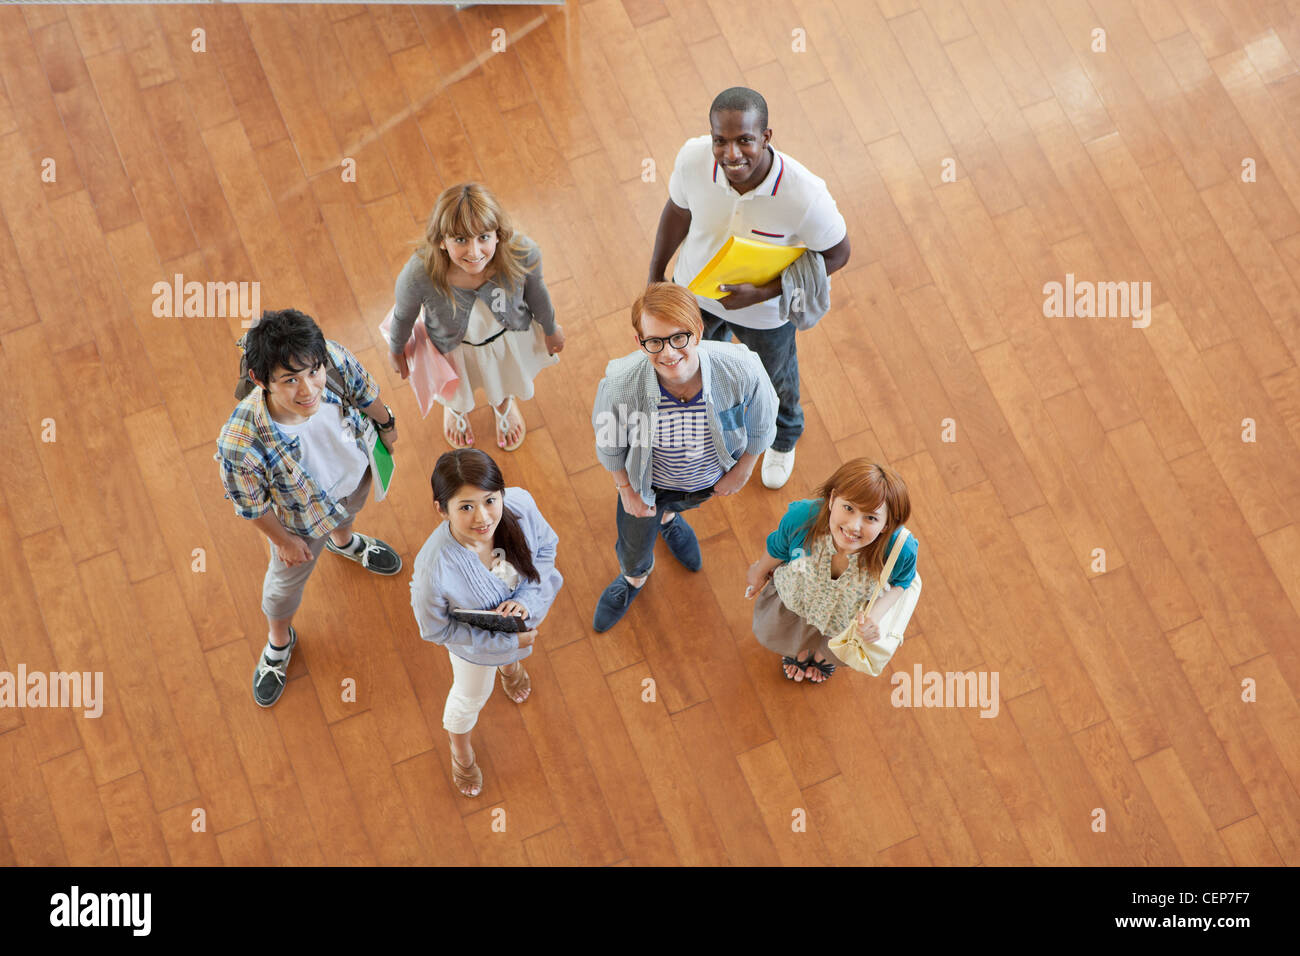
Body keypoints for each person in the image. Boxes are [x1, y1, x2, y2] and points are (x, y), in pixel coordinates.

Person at [648, 87, 852, 490]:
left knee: (775, 378)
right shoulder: (692, 160)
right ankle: (720, 423)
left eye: (744, 140)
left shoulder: (805, 196)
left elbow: (839, 254)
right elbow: (677, 211)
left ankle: (784, 436)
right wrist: (656, 277)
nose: (732, 154)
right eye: (720, 141)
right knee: (698, 366)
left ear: (766, 137)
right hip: (693, 296)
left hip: (764, 315)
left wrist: (762, 293)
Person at [217, 309, 402, 708]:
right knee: (282, 591)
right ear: (260, 381)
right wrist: (283, 542)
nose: (309, 389)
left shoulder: (327, 358)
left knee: (349, 513)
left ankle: (343, 541)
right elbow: (251, 505)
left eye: (313, 372)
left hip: (354, 475)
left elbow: (364, 390)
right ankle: (279, 643)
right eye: (290, 380)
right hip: (298, 520)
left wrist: (386, 425)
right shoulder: (240, 443)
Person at [591, 281, 777, 633]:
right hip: (647, 487)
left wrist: (743, 470)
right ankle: (634, 578)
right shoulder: (619, 385)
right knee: (634, 546)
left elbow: (763, 423)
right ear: (639, 342)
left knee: (680, 506)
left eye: (680, 337)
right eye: (655, 342)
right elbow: (609, 444)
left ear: (699, 332)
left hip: (708, 480)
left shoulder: (742, 369)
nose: (669, 353)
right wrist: (626, 491)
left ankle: (669, 519)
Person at [409, 449, 562, 798]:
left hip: (516, 627)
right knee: (469, 697)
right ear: (440, 509)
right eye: (465, 506)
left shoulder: (520, 505)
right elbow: (436, 629)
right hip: (472, 649)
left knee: (513, 638)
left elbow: (546, 551)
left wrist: (524, 602)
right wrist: (508, 645)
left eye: (490, 500)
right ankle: (460, 753)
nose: (483, 517)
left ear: (502, 494)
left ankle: (509, 667)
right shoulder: (433, 570)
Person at [386, 183, 564, 452]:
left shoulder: (522, 254)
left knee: (504, 377)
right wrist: (396, 350)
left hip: (505, 340)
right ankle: (456, 410)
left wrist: (551, 328)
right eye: (460, 240)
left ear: (498, 235)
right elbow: (403, 317)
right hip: (453, 350)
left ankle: (503, 402)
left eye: (483, 237)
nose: (474, 251)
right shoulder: (418, 275)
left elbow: (537, 292)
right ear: (441, 241)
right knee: (455, 390)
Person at [746, 460, 918, 682]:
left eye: (871, 518)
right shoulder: (802, 518)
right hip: (797, 600)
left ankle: (823, 656)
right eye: (849, 508)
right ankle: (802, 649)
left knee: (834, 646)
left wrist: (874, 617)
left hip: (846, 617)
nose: (854, 526)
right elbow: (778, 548)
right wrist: (760, 572)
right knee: (790, 630)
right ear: (833, 498)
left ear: (886, 525)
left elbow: (902, 583)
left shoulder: (899, 549)